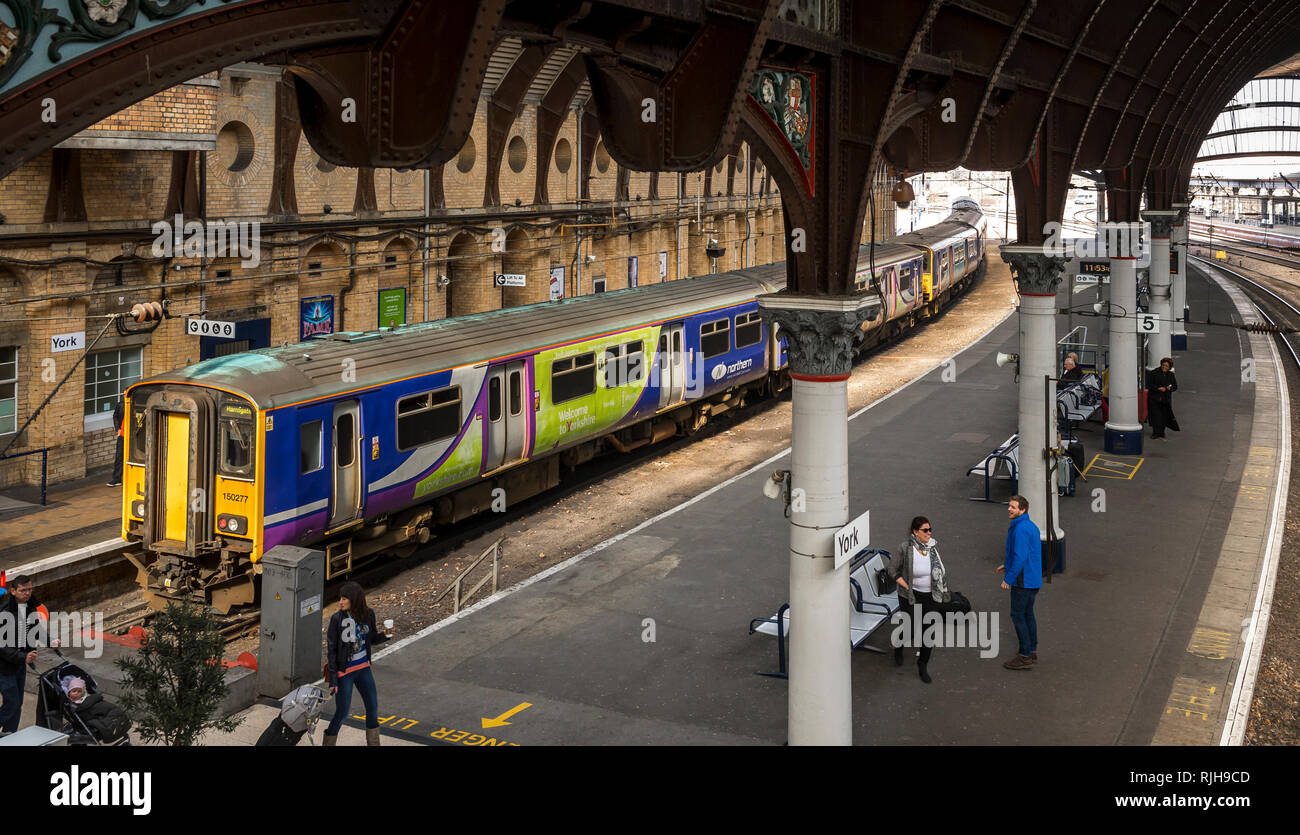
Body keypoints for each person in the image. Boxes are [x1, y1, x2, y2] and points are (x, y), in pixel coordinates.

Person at [887, 516, 953, 684]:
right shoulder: (905, 548)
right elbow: (892, 570)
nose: (929, 533)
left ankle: (922, 665)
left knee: (928, 631)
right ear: (915, 532)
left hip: (930, 596)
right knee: (909, 629)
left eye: (930, 529)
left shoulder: (933, 547)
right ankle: (899, 648)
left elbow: (938, 569)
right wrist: (906, 586)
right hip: (910, 595)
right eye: (925, 530)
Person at [323, 581, 390, 746]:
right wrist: (333, 678)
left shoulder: (369, 614)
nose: (340, 602)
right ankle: (328, 743)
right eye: (340, 598)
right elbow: (331, 651)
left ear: (354, 599)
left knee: (373, 708)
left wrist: (386, 635)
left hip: (363, 669)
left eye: (344, 598)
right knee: (342, 712)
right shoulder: (337, 619)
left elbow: (372, 639)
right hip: (344, 673)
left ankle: (374, 743)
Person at [997, 496, 1041, 671]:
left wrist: (1008, 578)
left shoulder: (1020, 529)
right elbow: (1027, 554)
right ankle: (1032, 650)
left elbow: (1020, 556)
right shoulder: (1030, 526)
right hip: (1033, 579)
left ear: (1022, 510)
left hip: (1022, 581)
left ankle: (1024, 655)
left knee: (1017, 615)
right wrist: (1006, 565)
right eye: (1009, 505)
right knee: (1028, 614)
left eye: (1013, 507)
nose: (1009, 509)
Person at [0, 575, 49, 733]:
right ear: (13, 591)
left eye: (29, 589)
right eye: (23, 590)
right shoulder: (4, 613)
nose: (27, 593)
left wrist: (50, 641)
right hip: (4, 667)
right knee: (12, 702)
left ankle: (9, 734)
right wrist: (23, 657)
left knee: (18, 703)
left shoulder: (29, 608)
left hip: (19, 665)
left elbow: (35, 630)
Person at [1146, 357, 1180, 440]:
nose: (1164, 367)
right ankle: (1155, 432)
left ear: (1169, 367)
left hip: (1165, 399)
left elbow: (1175, 386)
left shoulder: (1171, 375)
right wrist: (1158, 388)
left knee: (1164, 416)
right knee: (1155, 416)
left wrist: (1169, 388)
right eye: (1163, 365)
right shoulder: (1154, 373)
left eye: (1166, 366)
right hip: (1154, 398)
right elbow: (1150, 385)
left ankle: (1161, 432)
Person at [108, 397, 125, 488]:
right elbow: (115, 416)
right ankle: (117, 479)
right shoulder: (121, 405)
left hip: (134, 437)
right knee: (119, 457)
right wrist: (118, 429)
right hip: (122, 435)